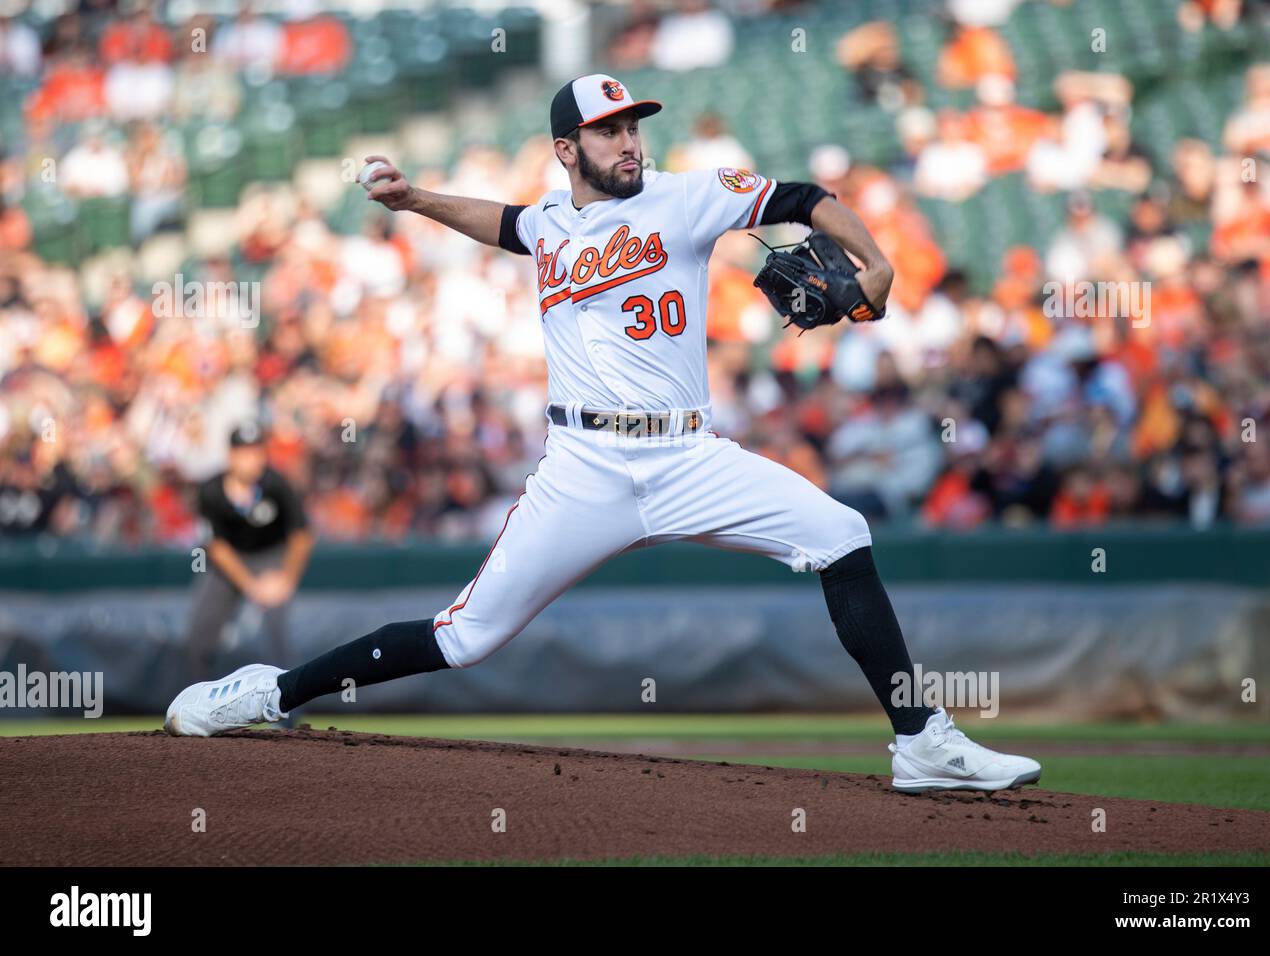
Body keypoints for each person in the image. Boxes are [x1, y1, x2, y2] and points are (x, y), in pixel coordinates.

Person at [166, 74, 1041, 794]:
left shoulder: (687, 198)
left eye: (632, 126)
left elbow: (806, 200)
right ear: (566, 150)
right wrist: (417, 200)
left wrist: (876, 262)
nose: (628, 141)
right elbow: (508, 224)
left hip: (690, 454)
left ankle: (920, 740)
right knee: (466, 636)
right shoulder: (550, 222)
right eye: (608, 130)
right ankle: (269, 693)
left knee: (842, 535)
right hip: (582, 466)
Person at [184, 423, 314, 686]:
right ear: (231, 456)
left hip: (271, 559)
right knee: (199, 634)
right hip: (229, 566)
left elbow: (301, 535)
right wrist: (252, 586)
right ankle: (196, 704)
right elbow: (217, 548)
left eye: (257, 452)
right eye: (244, 453)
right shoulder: (211, 491)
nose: (252, 460)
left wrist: (286, 579)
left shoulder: (276, 484)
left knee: (280, 636)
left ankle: (289, 713)